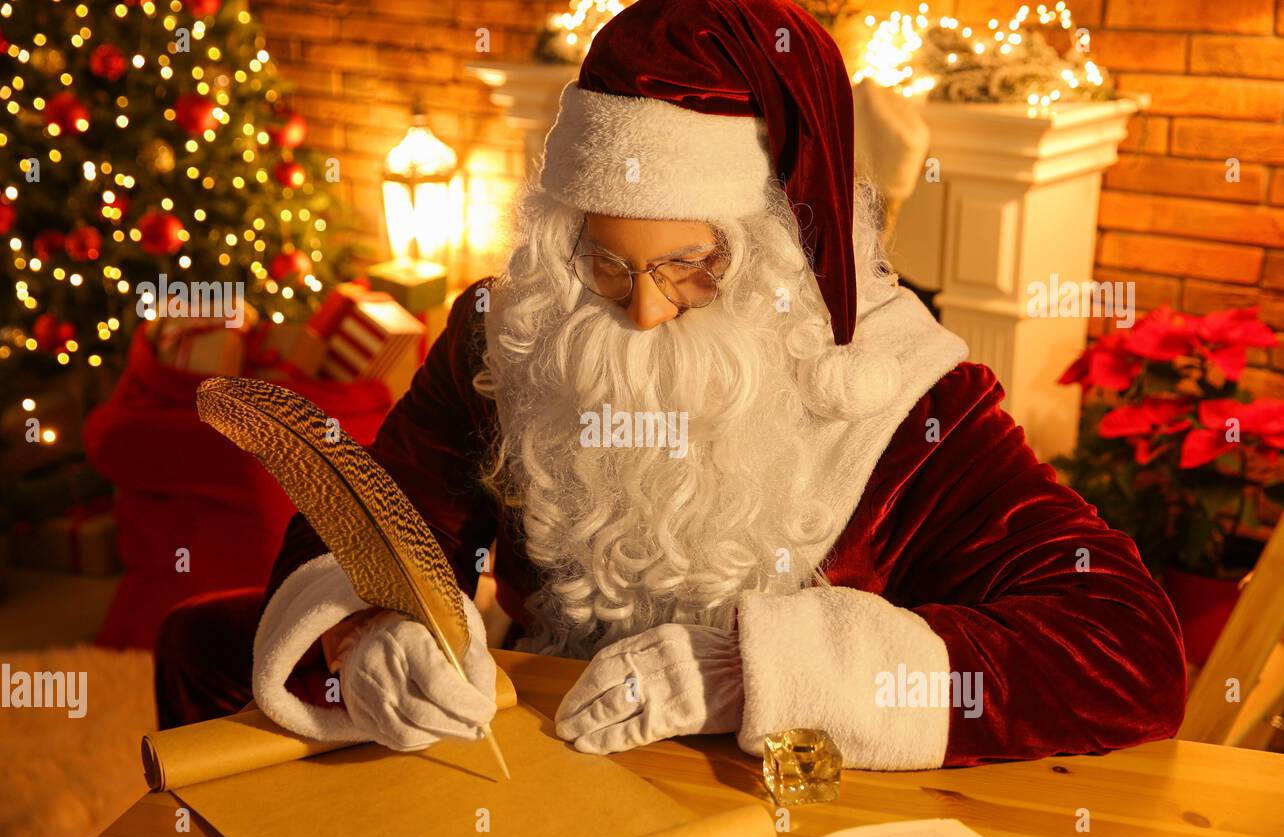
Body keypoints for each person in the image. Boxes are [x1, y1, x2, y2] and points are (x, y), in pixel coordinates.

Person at [157, 0, 1185, 769]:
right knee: (207, 639)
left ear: (779, 242)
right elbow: (371, 527)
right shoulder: (507, 332)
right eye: (606, 263)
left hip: (761, 791)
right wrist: (373, 630)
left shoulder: (901, 394)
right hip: (538, 749)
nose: (642, 310)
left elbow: (1123, 645)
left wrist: (759, 670)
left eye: (690, 267)